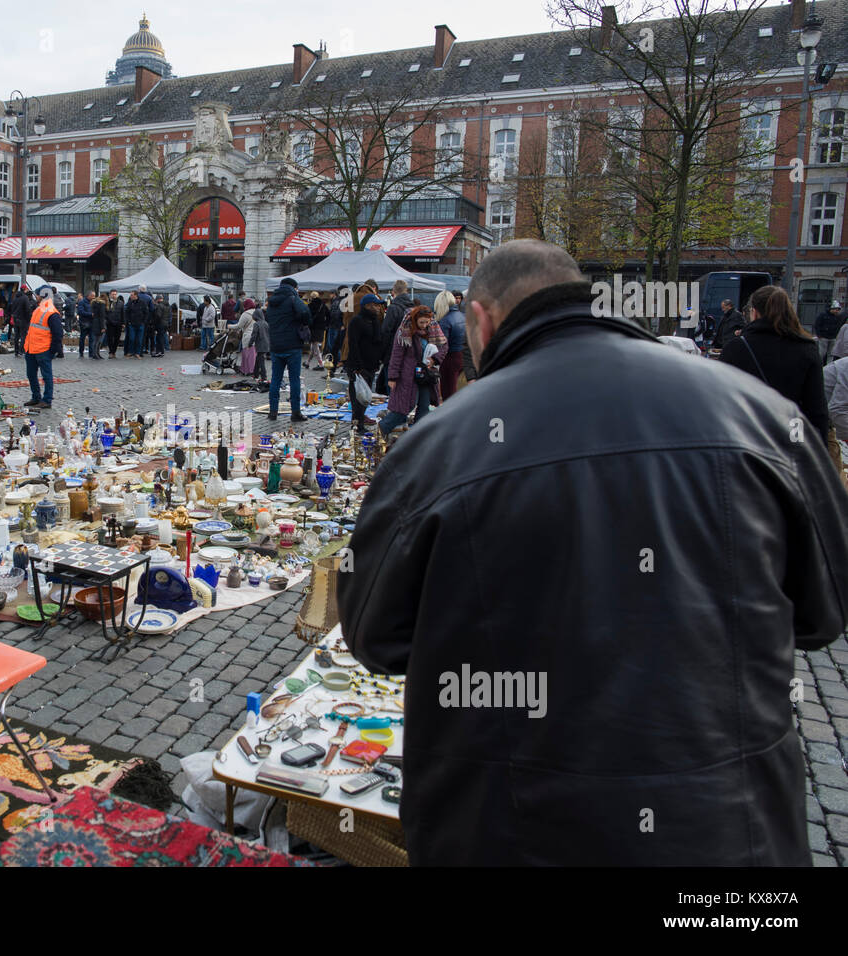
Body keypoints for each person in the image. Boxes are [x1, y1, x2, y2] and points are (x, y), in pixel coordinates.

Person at [338, 238, 848, 866]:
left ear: (482, 321)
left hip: (507, 830)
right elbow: (825, 613)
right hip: (729, 840)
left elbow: (373, 635)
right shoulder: (762, 417)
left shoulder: (440, 444)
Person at [720, 285, 829, 444]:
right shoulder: (807, 348)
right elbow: (816, 409)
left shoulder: (736, 348)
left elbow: (722, 401)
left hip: (747, 437)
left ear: (754, 312)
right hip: (791, 437)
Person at [380, 305, 442, 437]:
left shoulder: (434, 328)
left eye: (427, 322)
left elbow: (443, 346)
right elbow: (397, 354)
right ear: (415, 320)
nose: (424, 325)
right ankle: (382, 428)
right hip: (408, 375)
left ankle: (418, 437)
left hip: (426, 375)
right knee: (404, 407)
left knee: (424, 407)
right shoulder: (404, 330)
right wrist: (392, 377)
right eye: (421, 322)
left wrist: (435, 359)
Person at [266, 277, 311, 422]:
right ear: (294, 287)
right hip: (292, 345)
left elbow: (268, 319)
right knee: (294, 380)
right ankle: (295, 412)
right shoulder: (293, 298)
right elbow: (306, 314)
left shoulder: (272, 301)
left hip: (276, 346)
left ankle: (273, 412)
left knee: (275, 380)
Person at [344, 293, 384, 432]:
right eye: (376, 305)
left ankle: (359, 422)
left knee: (365, 396)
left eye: (379, 305)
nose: (379, 308)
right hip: (358, 366)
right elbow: (353, 344)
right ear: (367, 306)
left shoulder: (375, 321)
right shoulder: (357, 321)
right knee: (357, 398)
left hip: (371, 365)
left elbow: (378, 342)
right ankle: (357, 425)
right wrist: (357, 366)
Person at [23, 286, 62, 409]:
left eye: (37, 294)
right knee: (31, 374)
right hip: (31, 348)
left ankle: (47, 399)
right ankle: (36, 397)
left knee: (46, 376)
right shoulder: (39, 309)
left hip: (43, 349)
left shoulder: (51, 312)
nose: (36, 296)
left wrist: (52, 351)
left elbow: (58, 334)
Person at [434, 289, 468, 400]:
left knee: (449, 393)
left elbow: (443, 344)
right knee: (459, 390)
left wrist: (434, 358)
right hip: (463, 355)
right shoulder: (462, 316)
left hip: (450, 358)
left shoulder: (445, 320)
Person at [380, 280, 414, 386]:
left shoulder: (393, 308)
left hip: (392, 351)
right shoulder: (413, 308)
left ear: (393, 291)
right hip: (409, 351)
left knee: (390, 385)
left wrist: (381, 354)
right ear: (406, 291)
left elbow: (385, 331)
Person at [815, 300, 844, 365]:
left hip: (832, 337)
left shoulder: (837, 317)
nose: (837, 311)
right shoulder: (823, 315)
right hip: (824, 337)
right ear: (831, 309)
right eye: (836, 309)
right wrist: (819, 335)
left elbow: (838, 327)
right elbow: (817, 325)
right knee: (822, 353)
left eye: (838, 310)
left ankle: (828, 366)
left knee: (830, 354)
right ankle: (818, 365)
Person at [125, 286, 151, 358]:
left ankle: (137, 353)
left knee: (139, 340)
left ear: (136, 295)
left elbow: (146, 313)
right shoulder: (130, 303)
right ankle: (131, 352)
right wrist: (128, 321)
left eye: (131, 295)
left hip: (140, 324)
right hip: (132, 324)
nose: (130, 296)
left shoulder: (142, 302)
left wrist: (144, 322)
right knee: (132, 339)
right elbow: (126, 312)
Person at [235, 297, 257, 375]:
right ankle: (253, 370)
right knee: (253, 355)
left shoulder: (246, 314)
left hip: (247, 336)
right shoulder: (257, 312)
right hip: (256, 336)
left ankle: (247, 370)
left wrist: (229, 326)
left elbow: (239, 326)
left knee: (246, 354)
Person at [10, 284, 33, 357]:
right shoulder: (25, 298)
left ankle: (16, 351)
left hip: (16, 319)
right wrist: (29, 318)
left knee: (17, 336)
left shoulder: (15, 298)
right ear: (25, 289)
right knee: (23, 336)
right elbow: (27, 310)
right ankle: (21, 351)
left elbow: (12, 308)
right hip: (23, 320)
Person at [306, 291, 327, 370]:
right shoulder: (323, 305)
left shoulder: (310, 306)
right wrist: (325, 324)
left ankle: (321, 364)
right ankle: (307, 363)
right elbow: (328, 315)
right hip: (321, 327)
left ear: (311, 297)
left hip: (313, 327)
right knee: (314, 345)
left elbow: (307, 316)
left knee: (315, 345)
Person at [326, 286, 346, 366]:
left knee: (333, 345)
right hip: (334, 325)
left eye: (330, 294)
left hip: (335, 325)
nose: (329, 296)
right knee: (333, 345)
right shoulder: (336, 301)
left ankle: (339, 360)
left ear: (333, 294)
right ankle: (337, 360)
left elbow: (336, 314)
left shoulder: (336, 302)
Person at [106, 289, 124, 357]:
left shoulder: (120, 303)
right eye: (113, 294)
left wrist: (123, 323)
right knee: (110, 338)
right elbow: (105, 313)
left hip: (118, 322)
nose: (114, 295)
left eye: (115, 294)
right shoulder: (107, 302)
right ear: (110, 294)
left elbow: (122, 313)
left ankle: (114, 351)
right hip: (110, 323)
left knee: (117, 338)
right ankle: (111, 352)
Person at [152, 293, 169, 357]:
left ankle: (159, 352)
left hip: (160, 324)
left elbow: (158, 316)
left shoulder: (159, 306)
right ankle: (161, 351)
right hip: (165, 323)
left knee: (159, 338)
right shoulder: (167, 305)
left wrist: (155, 323)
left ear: (158, 299)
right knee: (162, 337)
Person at [90, 292, 106, 359]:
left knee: (96, 339)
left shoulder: (93, 303)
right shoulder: (102, 304)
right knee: (98, 340)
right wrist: (103, 327)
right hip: (99, 324)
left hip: (95, 322)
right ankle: (96, 354)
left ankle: (95, 353)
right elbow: (102, 316)